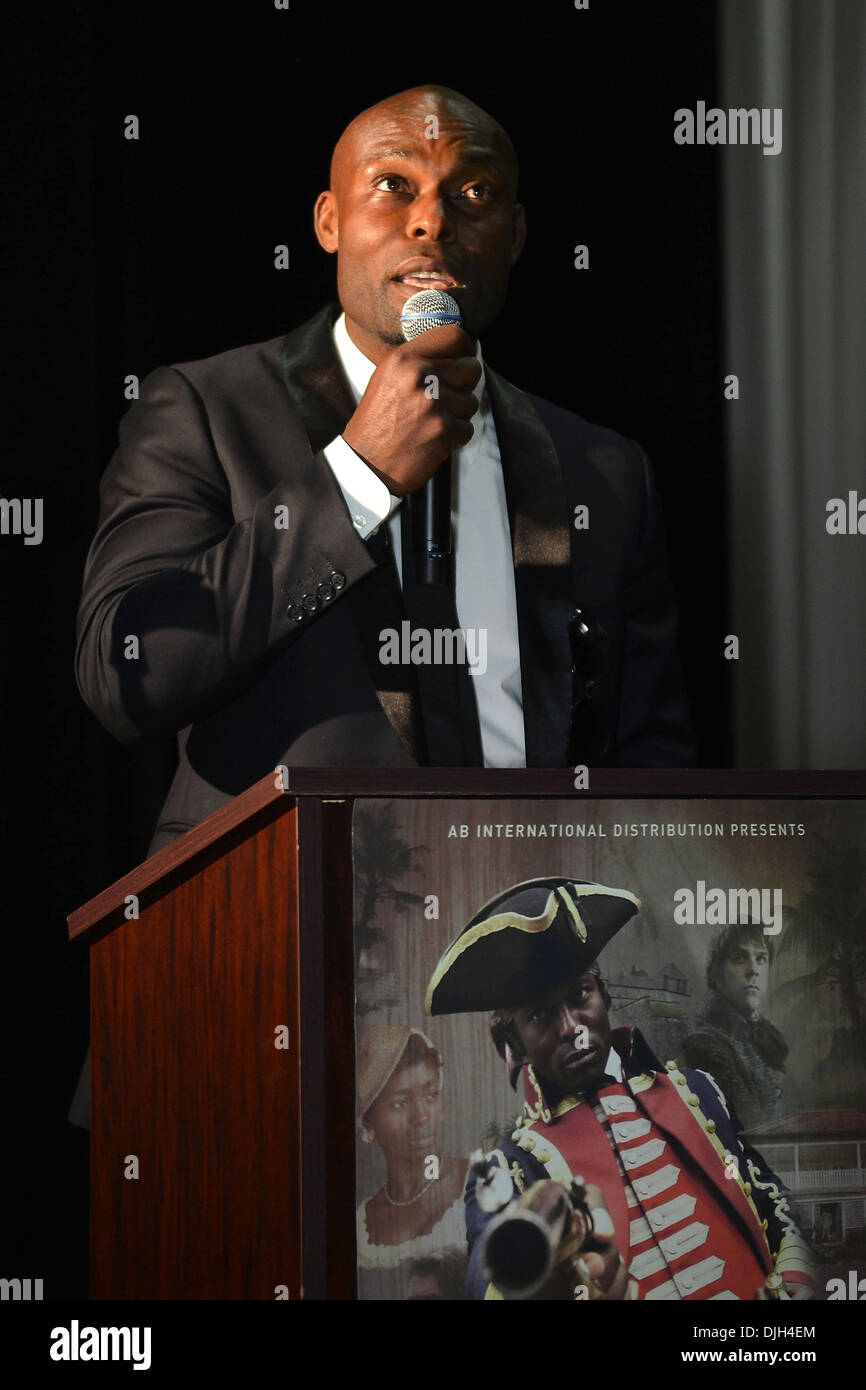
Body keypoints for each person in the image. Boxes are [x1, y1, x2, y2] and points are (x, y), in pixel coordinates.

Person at [74, 83, 693, 858]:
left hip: (524, 920)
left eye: (474, 191)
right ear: (329, 222)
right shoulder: (205, 407)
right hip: (273, 913)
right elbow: (127, 671)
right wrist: (358, 475)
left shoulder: (605, 470)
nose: (433, 219)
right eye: (394, 186)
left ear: (516, 234)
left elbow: (652, 760)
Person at [426, 876, 815, 1301]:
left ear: (605, 999)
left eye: (580, 994)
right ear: (514, 1046)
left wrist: (794, 1278)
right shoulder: (509, 1169)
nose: (571, 1027)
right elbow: (488, 1278)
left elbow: (769, 1198)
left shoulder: (699, 1093)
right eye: (540, 1016)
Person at [356, 1024, 467, 1300]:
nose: (421, 1117)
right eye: (400, 1103)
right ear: (369, 1120)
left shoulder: (476, 1185)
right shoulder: (362, 1226)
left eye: (431, 1096)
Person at [683, 925, 789, 1130]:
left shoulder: (764, 1038)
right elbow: (752, 1129)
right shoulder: (704, 1043)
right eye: (740, 958)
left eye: (761, 959)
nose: (753, 971)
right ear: (716, 974)